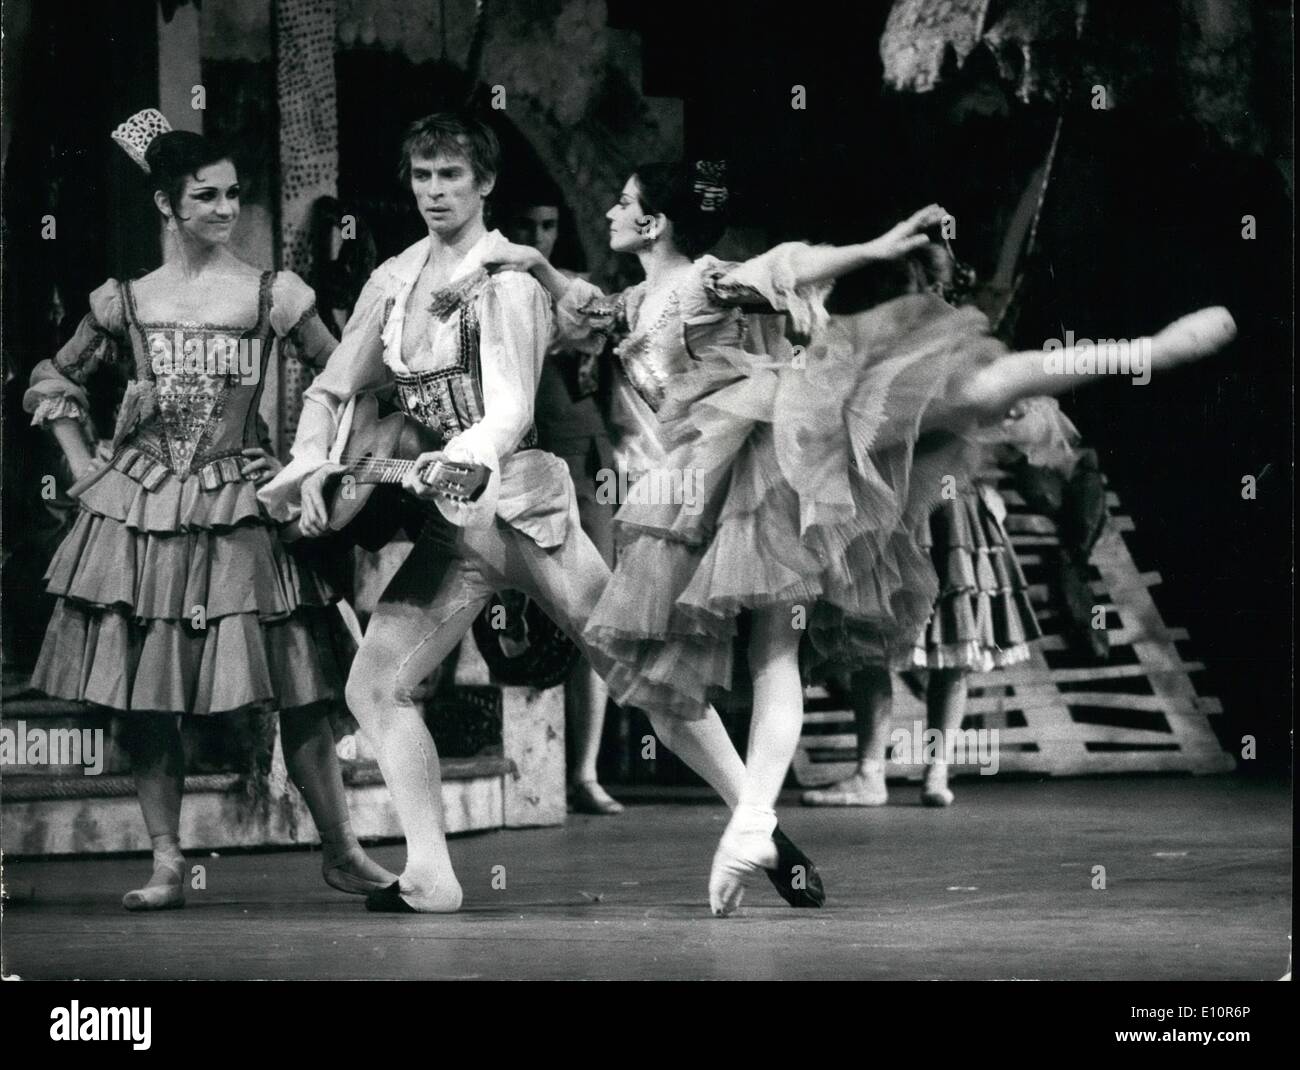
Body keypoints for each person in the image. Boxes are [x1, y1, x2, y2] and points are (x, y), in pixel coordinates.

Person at [486, 160, 1236, 915]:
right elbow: (588, 307)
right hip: (696, 482)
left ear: (654, 223)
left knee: (949, 393)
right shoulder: (636, 300)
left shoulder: (709, 278)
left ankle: (1132, 353)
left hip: (769, 445)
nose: (610, 210)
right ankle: (755, 825)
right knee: (673, 678)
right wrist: (539, 265)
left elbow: (790, 264)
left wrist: (879, 247)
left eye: (623, 201)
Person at [260, 113, 824, 914]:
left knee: (641, 676)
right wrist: (308, 467)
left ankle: (758, 822)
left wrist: (462, 456)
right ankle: (429, 873)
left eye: (450, 177)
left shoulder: (511, 281)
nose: (434, 193)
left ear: (484, 184)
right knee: (374, 684)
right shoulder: (392, 281)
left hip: (524, 511)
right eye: (422, 177)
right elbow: (332, 388)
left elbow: (511, 406)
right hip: (451, 530)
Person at [23, 110, 395, 911]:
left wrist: (308, 464)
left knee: (298, 684)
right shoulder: (128, 299)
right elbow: (52, 379)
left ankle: (342, 849)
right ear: (167, 206)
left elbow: (350, 381)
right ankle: (165, 862)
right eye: (206, 197)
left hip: (242, 507)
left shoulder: (274, 292)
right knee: (150, 691)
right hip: (144, 512)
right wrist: (87, 467)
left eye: (232, 195)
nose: (226, 210)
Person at [802, 397, 1076, 807]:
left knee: (953, 640)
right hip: (897, 502)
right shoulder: (910, 360)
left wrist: (992, 433)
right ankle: (875, 774)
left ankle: (933, 771)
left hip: (949, 509)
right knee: (871, 641)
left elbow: (1032, 434)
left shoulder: (966, 363)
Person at [502, 191, 622, 815]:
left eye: (549, 222)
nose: (541, 233)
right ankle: (536, 772)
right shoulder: (493, 288)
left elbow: (604, 334)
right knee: (522, 605)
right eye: (529, 222)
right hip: (524, 455)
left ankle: (584, 769)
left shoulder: (577, 290)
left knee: (596, 611)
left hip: (589, 457)